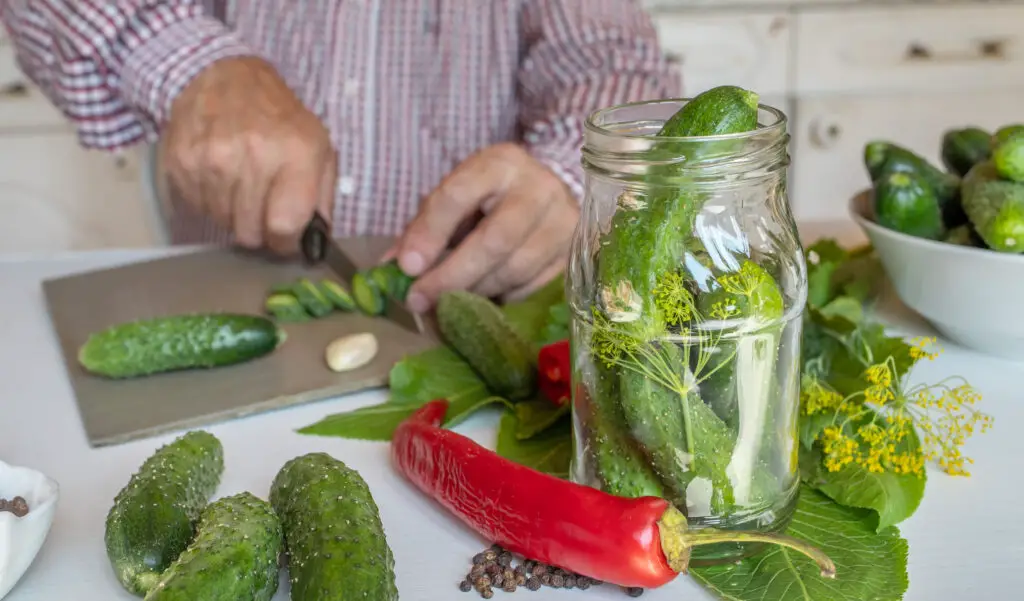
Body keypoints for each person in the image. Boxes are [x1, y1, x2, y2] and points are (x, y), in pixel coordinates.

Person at [0, 0, 679, 312]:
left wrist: (567, 175)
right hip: (227, 292)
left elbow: (614, 65)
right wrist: (186, 65)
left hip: (475, 320)